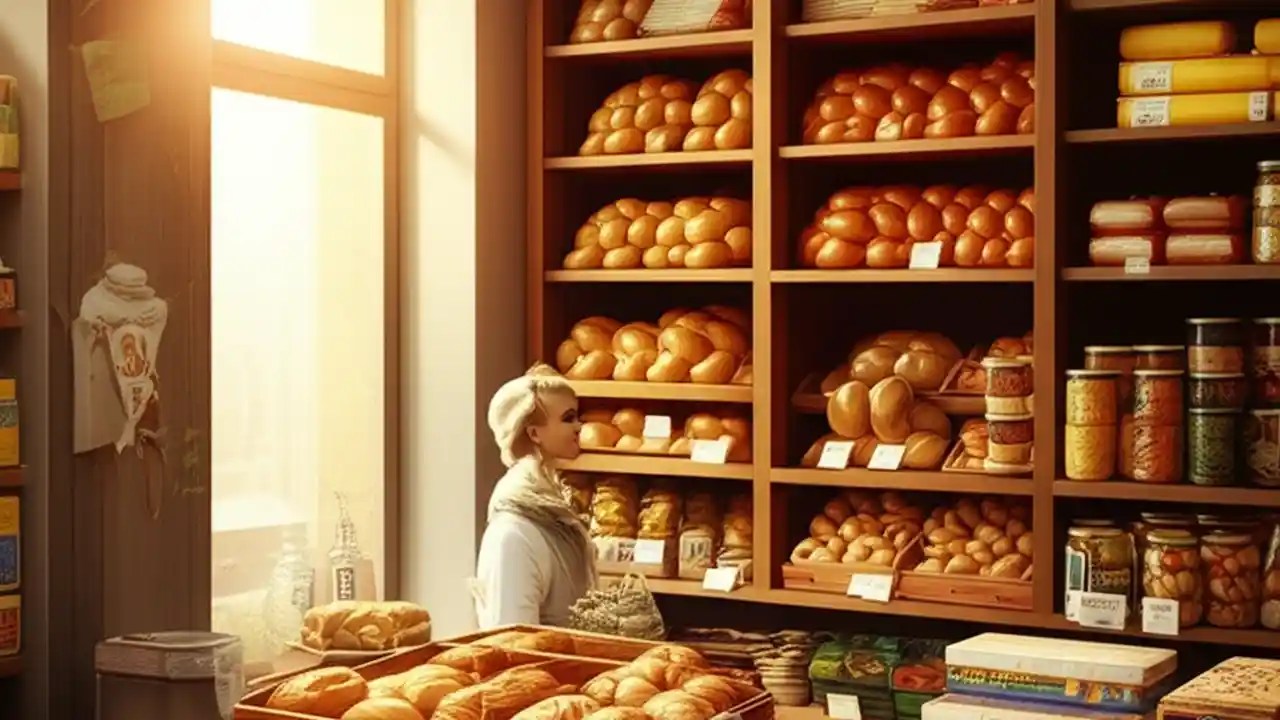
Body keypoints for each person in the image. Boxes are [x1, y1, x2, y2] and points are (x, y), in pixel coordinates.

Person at [471, 364, 597, 627]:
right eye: (568, 418)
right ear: (534, 433)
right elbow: (509, 639)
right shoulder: (513, 532)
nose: (579, 426)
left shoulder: (554, 510)